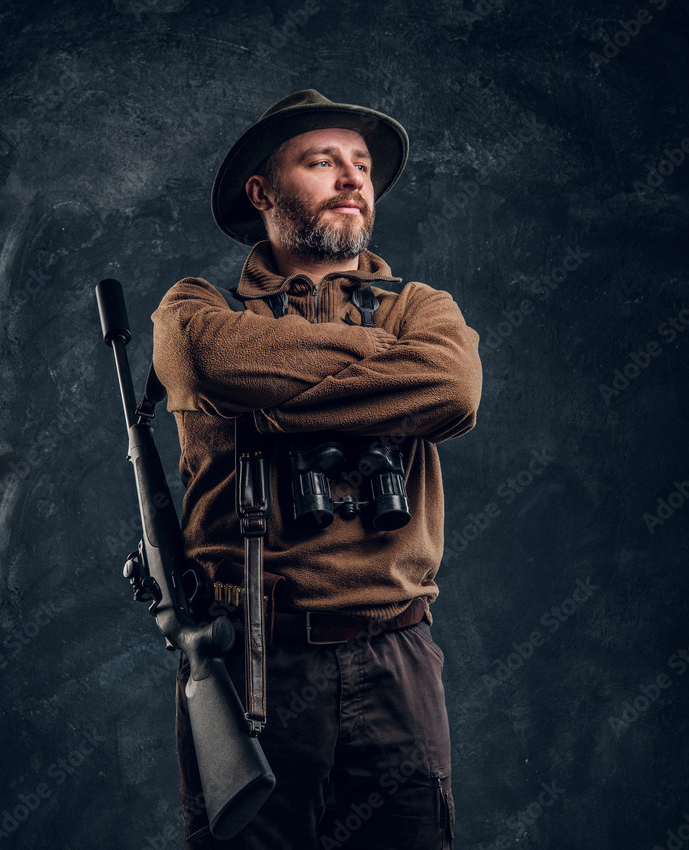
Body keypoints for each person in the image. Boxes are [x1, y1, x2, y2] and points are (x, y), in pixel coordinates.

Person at [151, 89, 482, 849]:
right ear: (261, 193)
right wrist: (383, 375)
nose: (352, 177)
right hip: (254, 657)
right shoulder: (199, 308)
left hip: (397, 654)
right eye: (322, 161)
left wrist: (271, 398)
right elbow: (204, 360)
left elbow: (453, 388)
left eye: (360, 164)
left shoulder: (420, 306)